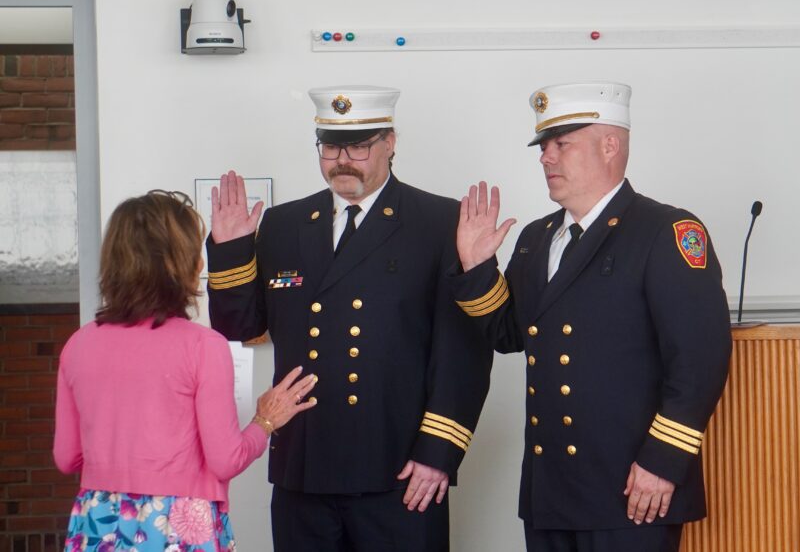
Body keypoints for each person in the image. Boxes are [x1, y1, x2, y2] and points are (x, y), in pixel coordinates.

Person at [205, 85, 493, 551]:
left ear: (390, 143)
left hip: (400, 469)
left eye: (358, 146)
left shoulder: (439, 221)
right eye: (330, 145)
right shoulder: (283, 225)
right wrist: (231, 250)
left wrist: (439, 453)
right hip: (305, 466)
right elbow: (239, 327)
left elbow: (463, 352)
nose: (343, 159)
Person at [450, 82, 732, 552]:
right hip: (552, 489)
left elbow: (699, 362)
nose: (546, 157)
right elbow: (508, 333)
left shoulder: (665, 231)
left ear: (610, 145)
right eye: (543, 146)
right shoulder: (537, 238)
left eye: (561, 143)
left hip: (633, 486)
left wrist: (664, 461)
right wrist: (477, 269)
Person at [54, 190, 317, 552]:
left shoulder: (79, 344)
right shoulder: (202, 346)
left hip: (97, 518)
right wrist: (265, 421)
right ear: (185, 263)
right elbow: (225, 461)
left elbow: (66, 457)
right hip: (177, 524)